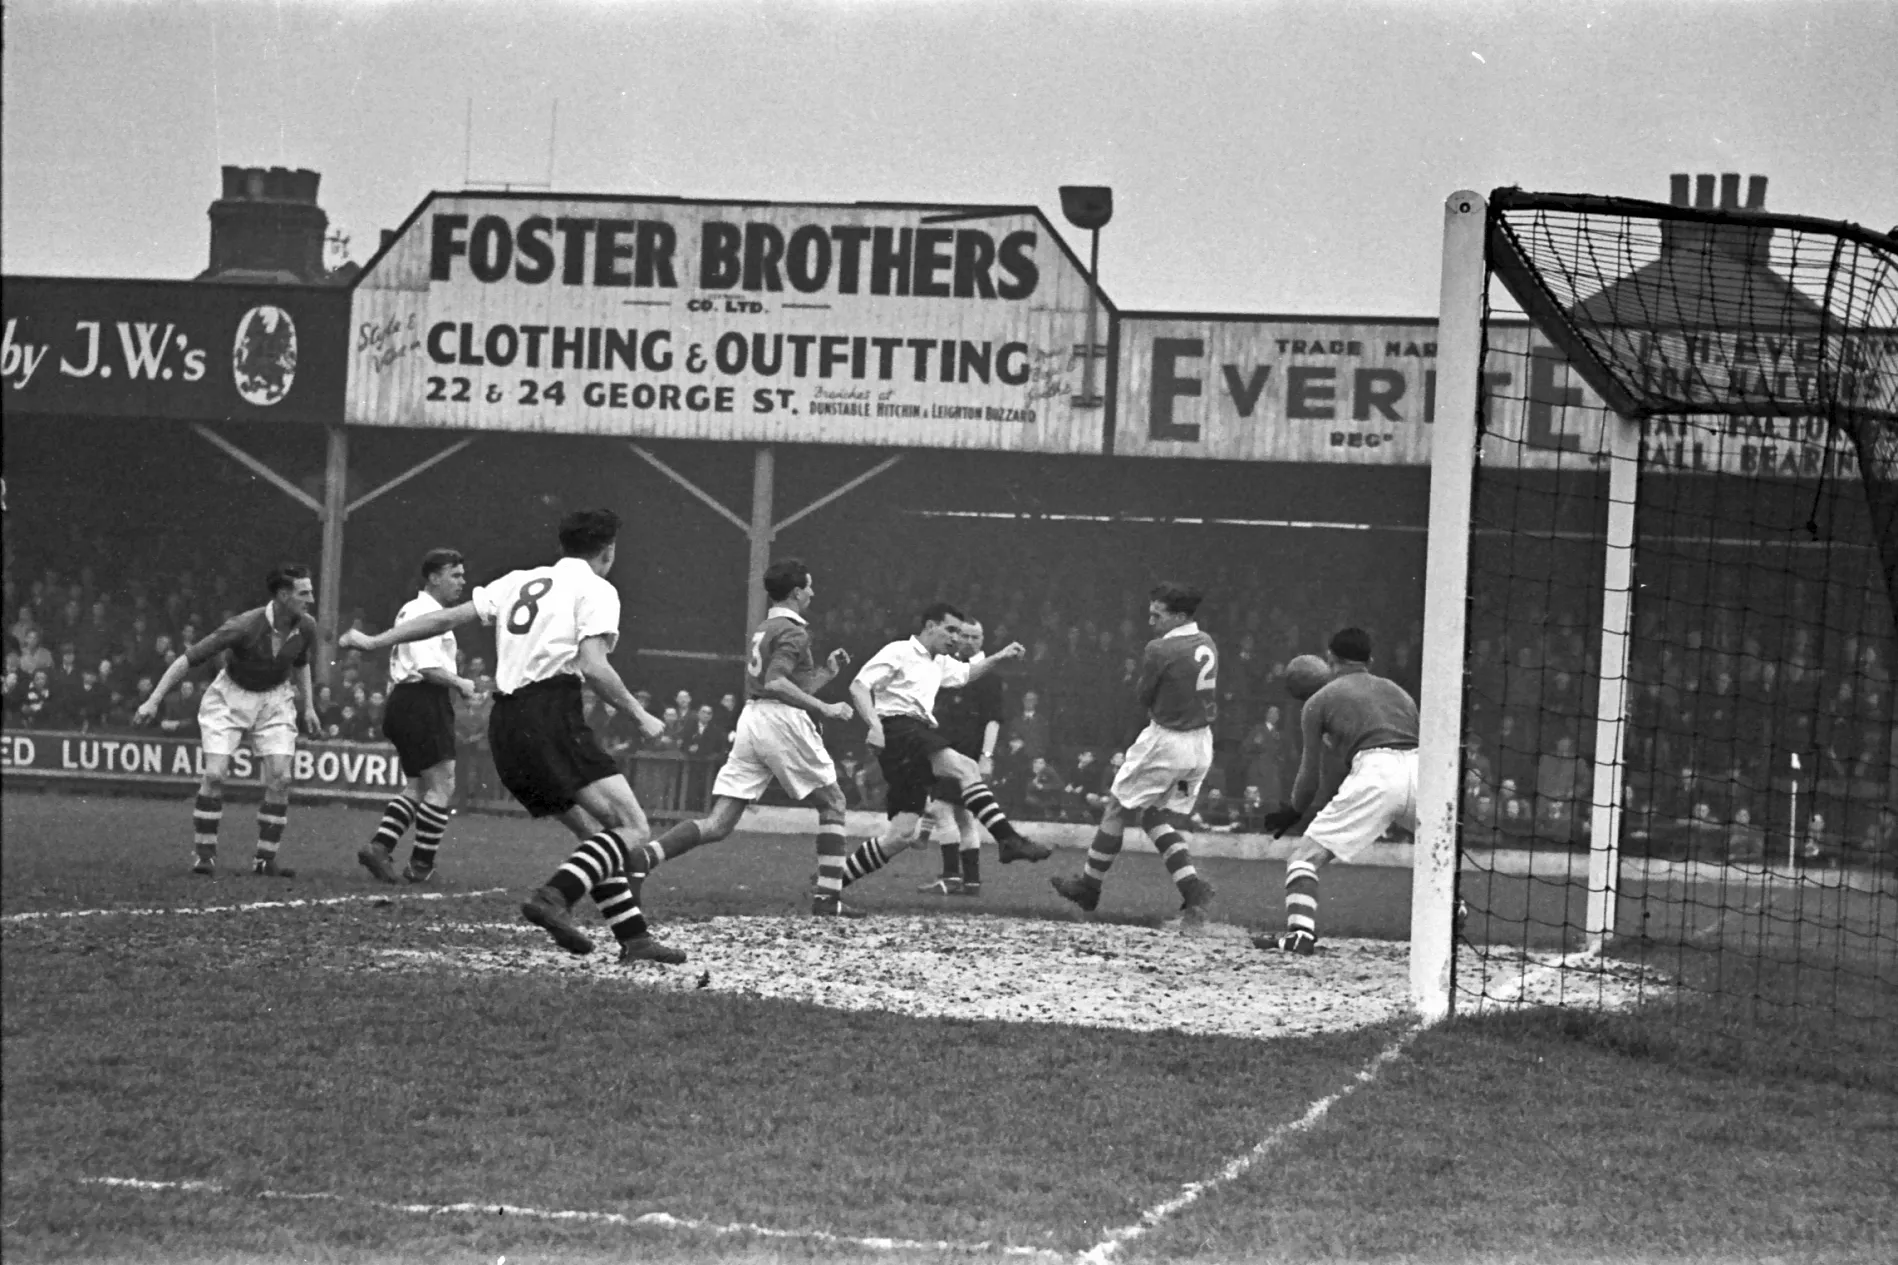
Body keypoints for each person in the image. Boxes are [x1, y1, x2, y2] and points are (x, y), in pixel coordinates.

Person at [341, 508, 681, 965]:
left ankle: (633, 937)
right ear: (608, 550)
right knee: (632, 826)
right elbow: (595, 666)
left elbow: (444, 621)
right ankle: (553, 898)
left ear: (563, 546)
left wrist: (375, 642)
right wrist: (641, 715)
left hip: (505, 724)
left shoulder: (518, 579)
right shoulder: (598, 589)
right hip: (551, 714)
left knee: (596, 835)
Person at [634, 558, 863, 916]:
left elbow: (782, 684)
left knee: (719, 823)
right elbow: (776, 683)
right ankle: (827, 899)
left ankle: (643, 858)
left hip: (753, 719)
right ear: (797, 591)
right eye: (810, 586)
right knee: (833, 803)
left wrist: (827, 673)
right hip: (779, 720)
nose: (814, 592)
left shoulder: (766, 627)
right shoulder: (795, 631)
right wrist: (826, 707)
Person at [840, 603, 1049, 894]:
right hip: (899, 728)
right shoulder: (899, 650)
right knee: (967, 767)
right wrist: (874, 726)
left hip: (911, 736)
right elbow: (858, 686)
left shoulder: (939, 662)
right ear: (929, 627)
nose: (956, 638)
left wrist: (999, 656)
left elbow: (967, 674)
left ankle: (830, 882)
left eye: (960, 633)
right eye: (950, 630)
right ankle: (1008, 839)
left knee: (900, 835)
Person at [134, 565, 322, 878]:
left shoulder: (307, 626)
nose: (311, 599)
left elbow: (301, 663)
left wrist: (310, 707)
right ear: (283, 595)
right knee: (216, 774)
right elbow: (187, 659)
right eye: (304, 593)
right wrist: (153, 700)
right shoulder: (244, 626)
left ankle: (265, 860)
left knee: (280, 777)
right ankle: (204, 856)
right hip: (230, 697)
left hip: (275, 698)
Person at [1049, 582, 1218, 929]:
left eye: (1158, 614)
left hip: (1167, 739)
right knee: (1153, 816)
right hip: (1201, 743)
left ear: (1180, 616)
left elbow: (1143, 695)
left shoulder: (1159, 649)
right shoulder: (1207, 642)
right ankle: (1193, 890)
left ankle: (1088, 886)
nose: (1150, 619)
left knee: (1115, 807)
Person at [1256, 627, 1419, 955]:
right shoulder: (1400, 693)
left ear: (1329, 658)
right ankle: (1452, 918)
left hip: (1376, 772)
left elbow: (1309, 774)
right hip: (1420, 769)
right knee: (1439, 859)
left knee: (1304, 858)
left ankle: (1300, 935)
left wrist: (1294, 810)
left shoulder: (1318, 701)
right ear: (1370, 660)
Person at [356, 549, 477, 885]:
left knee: (419, 784)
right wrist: (460, 683)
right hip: (422, 701)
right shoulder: (423, 612)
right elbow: (426, 667)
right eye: (455, 574)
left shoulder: (425, 610)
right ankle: (421, 865)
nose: (462, 582)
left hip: (409, 702)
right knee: (443, 783)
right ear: (434, 577)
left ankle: (380, 847)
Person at [917, 617, 1007, 898]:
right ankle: (971, 881)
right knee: (964, 817)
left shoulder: (989, 676)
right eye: (964, 636)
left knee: (943, 810)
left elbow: (994, 720)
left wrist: (987, 756)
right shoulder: (949, 668)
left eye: (975, 637)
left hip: (966, 754)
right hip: (946, 749)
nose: (968, 641)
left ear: (983, 640)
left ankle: (952, 877)